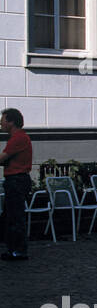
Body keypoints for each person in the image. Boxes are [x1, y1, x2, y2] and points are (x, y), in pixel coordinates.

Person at [0, 108, 33, 261]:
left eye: (3, 120)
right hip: (16, 180)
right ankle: (13, 249)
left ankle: (18, 250)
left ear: (11, 122)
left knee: (15, 216)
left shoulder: (18, 138)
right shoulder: (18, 138)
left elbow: (3, 158)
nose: (1, 123)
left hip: (16, 180)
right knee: (11, 216)